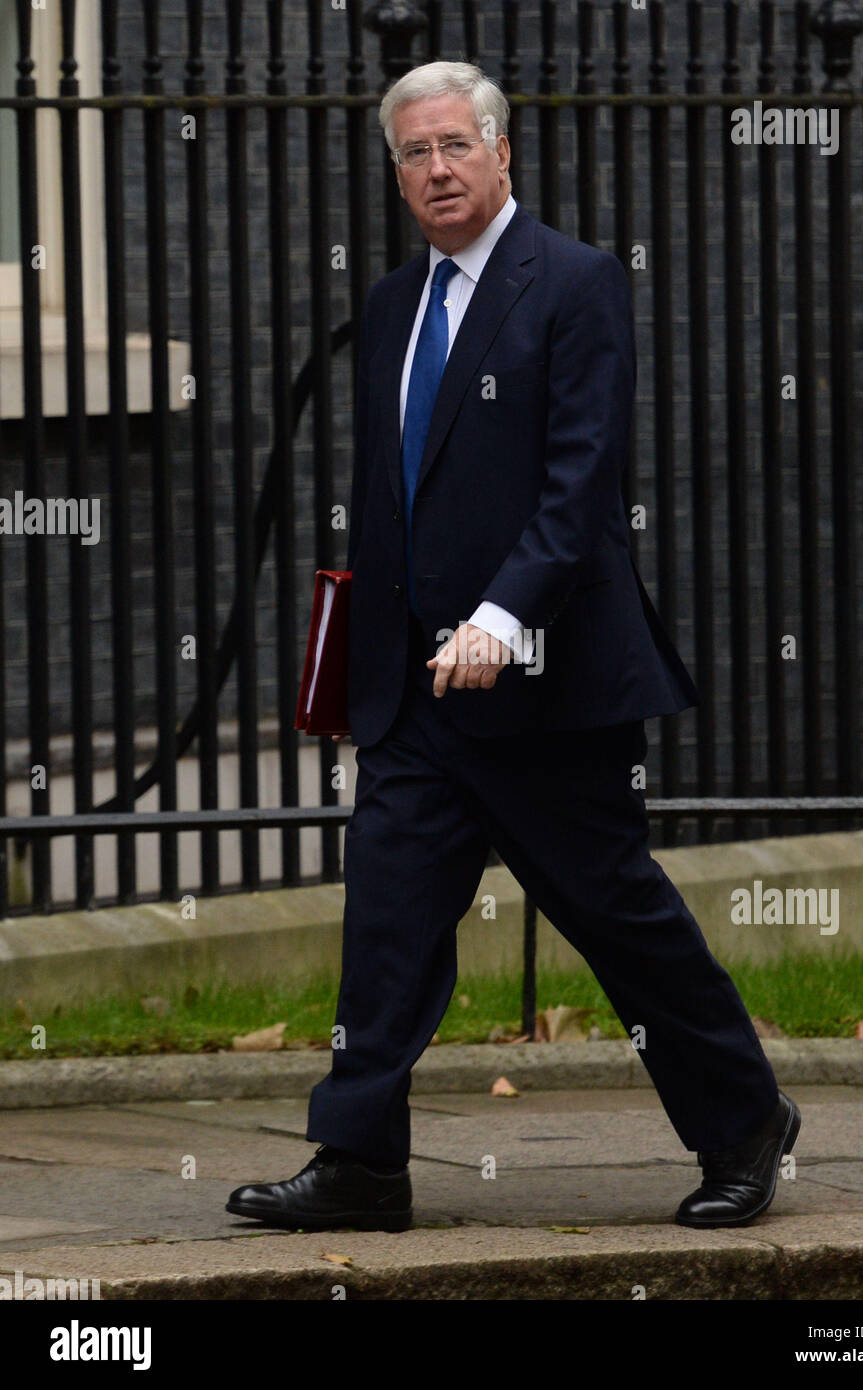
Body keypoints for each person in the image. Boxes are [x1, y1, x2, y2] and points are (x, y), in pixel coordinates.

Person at [227, 60, 800, 1235]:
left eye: (453, 146)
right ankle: (357, 1163)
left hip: (545, 685)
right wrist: (361, 647)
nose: (434, 170)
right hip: (414, 695)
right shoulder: (392, 304)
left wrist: (501, 618)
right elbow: (392, 492)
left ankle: (743, 1122)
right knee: (384, 922)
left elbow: (579, 476)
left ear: (500, 152)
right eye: (412, 154)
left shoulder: (575, 281)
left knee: (616, 917)